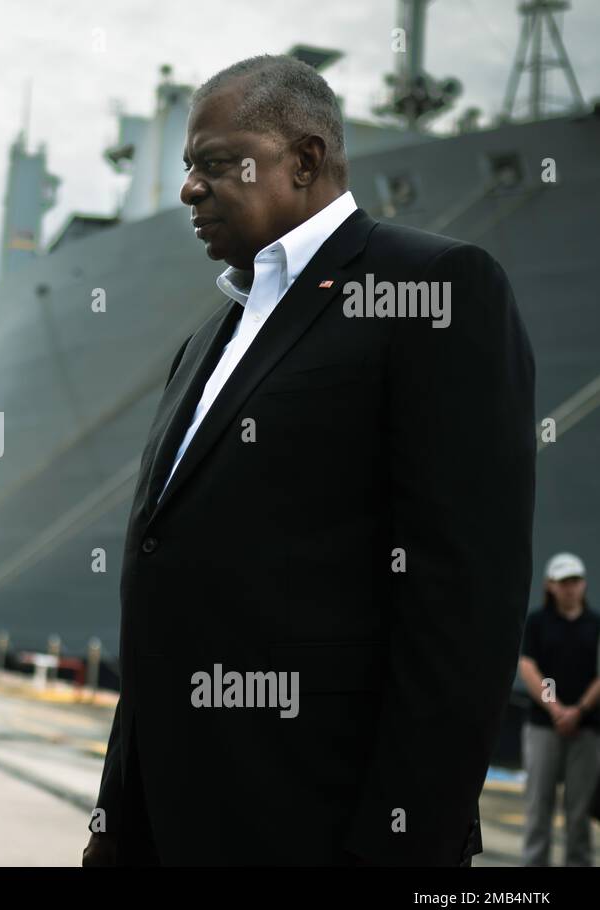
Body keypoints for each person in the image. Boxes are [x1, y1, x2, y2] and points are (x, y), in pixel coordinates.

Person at [83, 54, 535, 866]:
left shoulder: (434, 287)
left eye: (216, 164)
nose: (188, 188)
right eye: (187, 166)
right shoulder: (203, 344)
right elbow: (165, 584)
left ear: (306, 159)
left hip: (314, 830)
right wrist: (118, 820)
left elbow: (464, 608)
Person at [519, 552, 600, 866]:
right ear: (550, 585)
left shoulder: (595, 625)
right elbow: (528, 667)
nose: (570, 587)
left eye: (575, 580)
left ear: (584, 583)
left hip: (587, 728)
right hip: (543, 727)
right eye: (564, 581)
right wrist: (556, 709)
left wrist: (578, 710)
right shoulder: (538, 623)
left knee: (578, 812)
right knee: (538, 807)